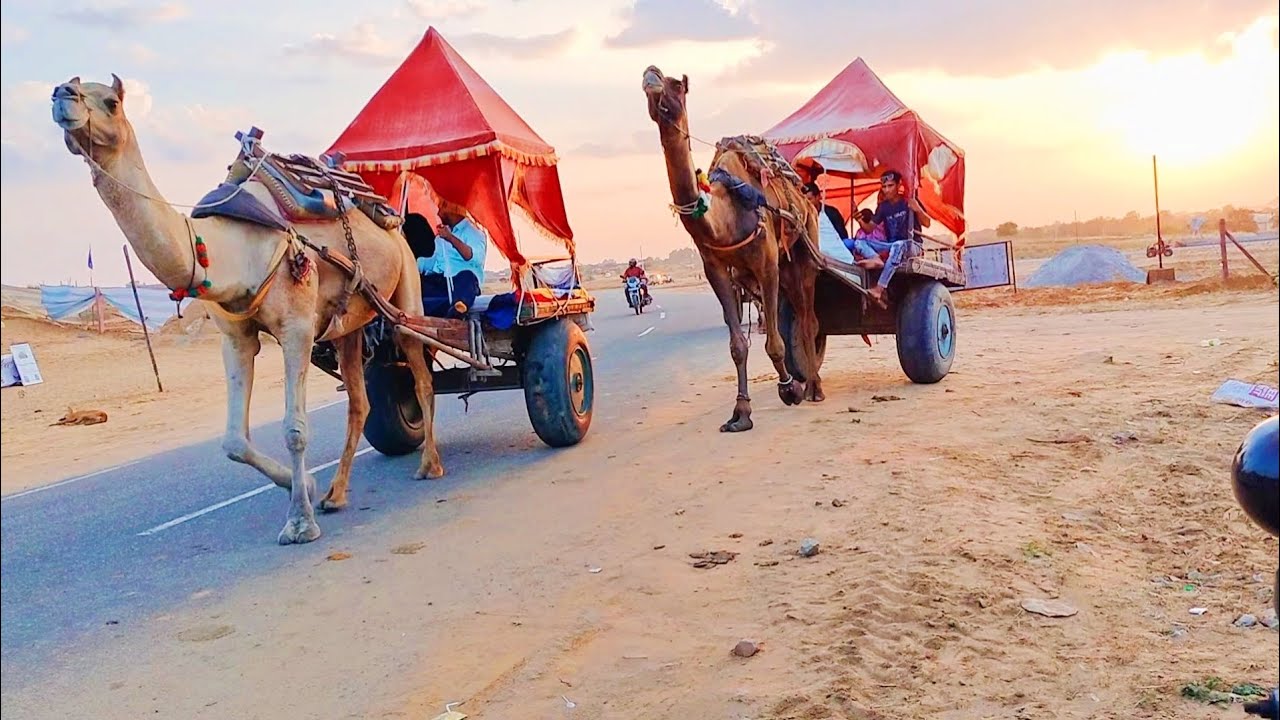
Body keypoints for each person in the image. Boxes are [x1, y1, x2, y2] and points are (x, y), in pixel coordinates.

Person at [855, 170, 931, 306]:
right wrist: (859, 220)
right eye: (884, 187)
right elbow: (869, 229)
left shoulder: (909, 200)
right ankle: (876, 259)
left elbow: (927, 223)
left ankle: (879, 289)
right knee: (860, 242)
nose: (886, 190)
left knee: (898, 245)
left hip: (912, 245)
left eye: (890, 186)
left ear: (898, 185)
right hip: (892, 246)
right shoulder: (883, 207)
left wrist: (917, 209)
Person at [416, 203, 488, 318]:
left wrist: (450, 238)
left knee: (467, 276)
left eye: (441, 208)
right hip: (440, 283)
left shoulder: (473, 232)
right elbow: (430, 263)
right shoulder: (439, 238)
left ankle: (459, 308)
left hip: (459, 284)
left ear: (450, 208)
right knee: (416, 282)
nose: (438, 213)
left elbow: (472, 257)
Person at [803, 181, 853, 263]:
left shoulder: (832, 213)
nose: (807, 203)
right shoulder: (804, 216)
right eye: (804, 200)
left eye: (809, 199)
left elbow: (842, 235)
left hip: (837, 255)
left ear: (818, 197)